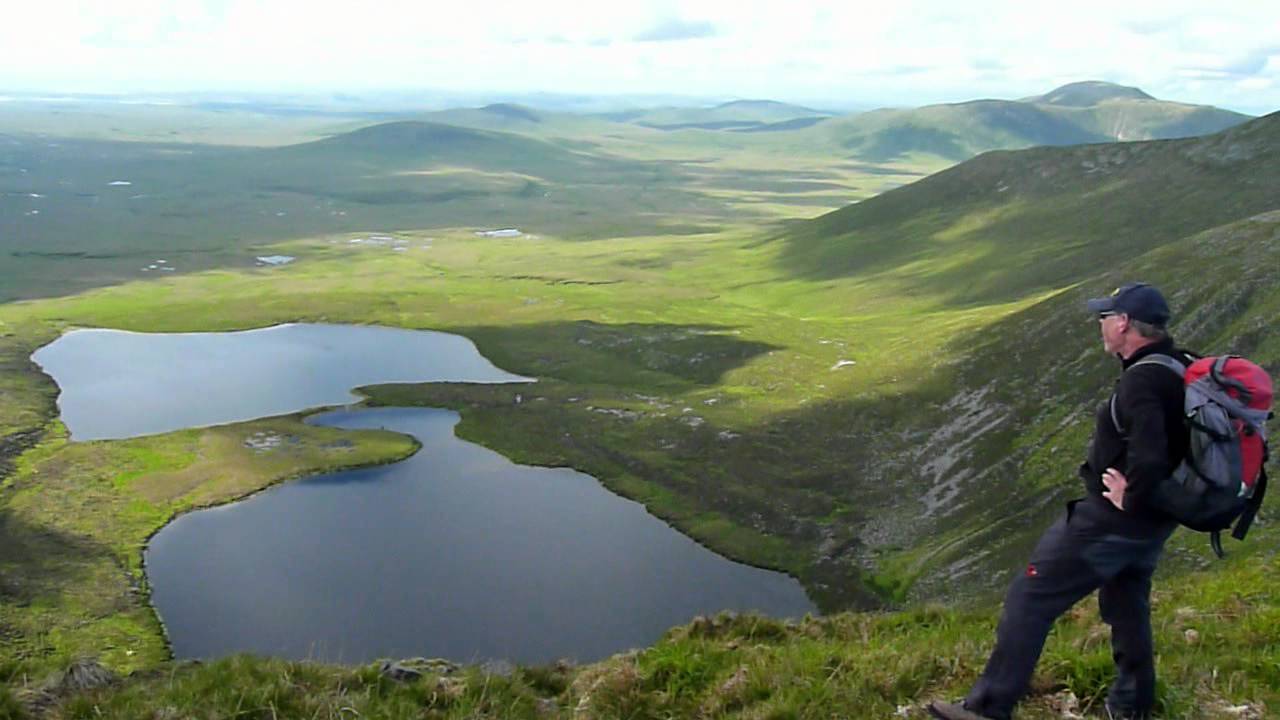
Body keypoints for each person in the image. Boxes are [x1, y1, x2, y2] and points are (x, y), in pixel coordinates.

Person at [929, 282, 1188, 720]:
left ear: (1124, 323)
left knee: (1030, 596)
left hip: (1111, 521)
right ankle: (1133, 705)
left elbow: (1150, 452)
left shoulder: (1142, 380)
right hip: (1155, 522)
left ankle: (988, 708)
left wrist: (1133, 496)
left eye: (1105, 317)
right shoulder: (1180, 364)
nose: (1101, 324)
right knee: (1127, 604)